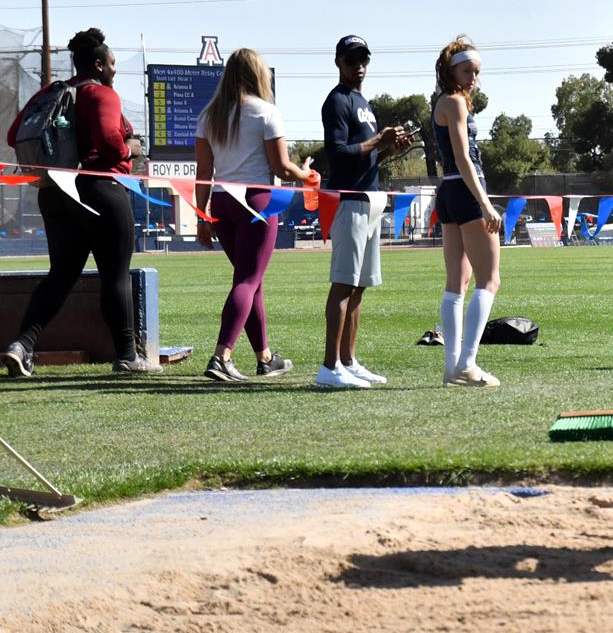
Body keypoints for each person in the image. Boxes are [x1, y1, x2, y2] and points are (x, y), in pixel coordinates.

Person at [0, 28, 157, 377]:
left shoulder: (52, 92)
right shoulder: (102, 94)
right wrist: (130, 148)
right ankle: (127, 355)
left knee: (61, 274)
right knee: (115, 275)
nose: (115, 69)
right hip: (100, 189)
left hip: (56, 193)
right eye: (112, 63)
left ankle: (22, 344)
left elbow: (14, 135)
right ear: (99, 65)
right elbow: (109, 142)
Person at [193, 48, 314, 381]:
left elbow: (203, 173)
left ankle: (265, 357)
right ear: (259, 75)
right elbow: (282, 168)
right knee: (248, 280)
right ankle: (222, 356)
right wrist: (305, 173)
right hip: (256, 201)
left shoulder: (209, 116)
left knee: (249, 279)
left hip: (221, 203)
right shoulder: (266, 112)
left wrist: (201, 217)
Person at [316, 35, 412, 389]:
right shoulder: (337, 101)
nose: (359, 66)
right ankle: (329, 367)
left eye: (363, 60)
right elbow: (338, 154)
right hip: (351, 201)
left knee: (360, 287)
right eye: (352, 60)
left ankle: (348, 361)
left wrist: (389, 149)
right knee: (344, 284)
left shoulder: (364, 104)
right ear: (338, 62)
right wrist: (377, 139)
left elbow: (367, 158)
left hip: (370, 199)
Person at [432, 37, 504, 387]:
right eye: (467, 71)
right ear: (451, 71)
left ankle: (453, 367)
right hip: (464, 190)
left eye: (476, 72)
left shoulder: (442, 102)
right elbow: (463, 158)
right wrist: (486, 203)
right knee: (489, 279)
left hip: (449, 192)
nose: (473, 78)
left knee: (456, 283)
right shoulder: (456, 102)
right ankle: (467, 363)